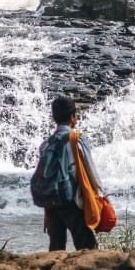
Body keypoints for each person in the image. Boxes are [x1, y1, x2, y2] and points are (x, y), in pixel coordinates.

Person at [31, 97, 101, 251]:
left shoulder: (46, 143)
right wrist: (100, 195)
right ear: (72, 117)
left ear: (54, 118)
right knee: (86, 245)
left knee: (56, 248)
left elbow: (45, 175)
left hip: (51, 201)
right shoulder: (77, 139)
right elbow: (90, 171)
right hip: (71, 200)